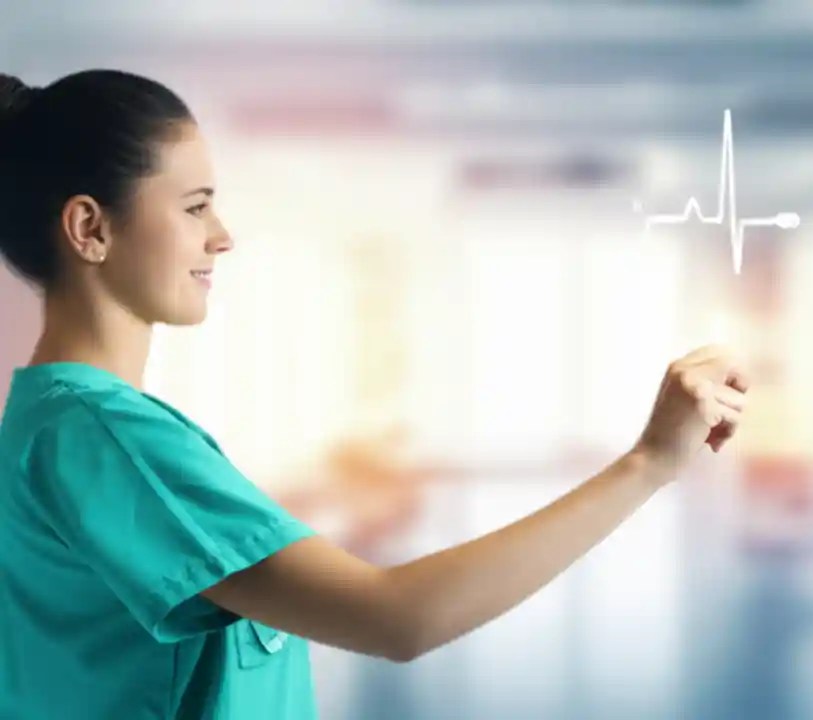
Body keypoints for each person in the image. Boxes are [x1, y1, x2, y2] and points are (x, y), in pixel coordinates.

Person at [0, 69, 750, 719]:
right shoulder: (104, 436)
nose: (221, 235)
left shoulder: (52, 423)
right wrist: (650, 462)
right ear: (90, 228)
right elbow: (399, 619)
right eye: (195, 206)